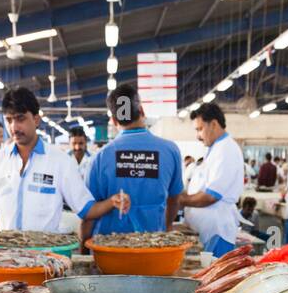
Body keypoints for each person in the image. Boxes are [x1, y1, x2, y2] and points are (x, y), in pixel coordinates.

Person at [0, 87, 125, 236]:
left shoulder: (60, 162)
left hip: (45, 255)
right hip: (8, 256)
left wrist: (112, 202)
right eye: (9, 120)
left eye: (20, 118)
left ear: (36, 120)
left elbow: (86, 209)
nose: (14, 127)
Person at [83, 82, 181, 238]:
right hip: (154, 245)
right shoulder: (170, 150)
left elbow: (89, 212)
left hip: (110, 250)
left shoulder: (99, 157)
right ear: (142, 111)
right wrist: (167, 227)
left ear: (114, 121)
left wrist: (83, 249)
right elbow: (175, 199)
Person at [176, 101, 244, 256]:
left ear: (213, 124)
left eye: (200, 129)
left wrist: (179, 200)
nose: (198, 136)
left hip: (217, 232)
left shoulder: (226, 150)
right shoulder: (214, 149)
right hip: (207, 230)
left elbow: (210, 196)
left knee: (213, 277)